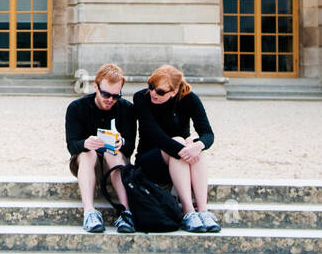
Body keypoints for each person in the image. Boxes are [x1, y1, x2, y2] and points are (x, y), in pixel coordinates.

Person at [133, 64, 220, 233]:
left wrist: (197, 145)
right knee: (181, 141)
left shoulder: (189, 99)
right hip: (150, 161)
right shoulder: (141, 98)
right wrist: (183, 148)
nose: (153, 93)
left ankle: (202, 210)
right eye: (151, 87)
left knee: (195, 143)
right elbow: (154, 134)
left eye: (160, 92)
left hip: (181, 162)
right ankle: (188, 211)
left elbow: (208, 133)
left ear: (174, 92)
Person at [65, 63, 136, 233]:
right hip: (87, 164)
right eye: (105, 94)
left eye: (115, 95)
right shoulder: (77, 108)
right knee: (88, 154)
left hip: (116, 163)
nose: (110, 99)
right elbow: (71, 145)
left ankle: (126, 212)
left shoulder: (126, 109)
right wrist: (85, 143)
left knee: (113, 152)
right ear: (95, 87)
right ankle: (89, 212)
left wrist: (122, 142)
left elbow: (131, 148)